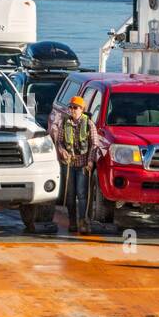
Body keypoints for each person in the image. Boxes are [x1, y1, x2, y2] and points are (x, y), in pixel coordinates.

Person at [53, 95, 101, 234]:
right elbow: (60, 142)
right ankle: (73, 222)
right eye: (71, 107)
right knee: (70, 195)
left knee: (82, 194)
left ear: (82, 109)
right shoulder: (64, 123)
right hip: (68, 165)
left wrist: (91, 161)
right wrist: (62, 152)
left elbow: (94, 144)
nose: (72, 110)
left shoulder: (89, 124)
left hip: (83, 164)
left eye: (75, 108)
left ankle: (83, 222)